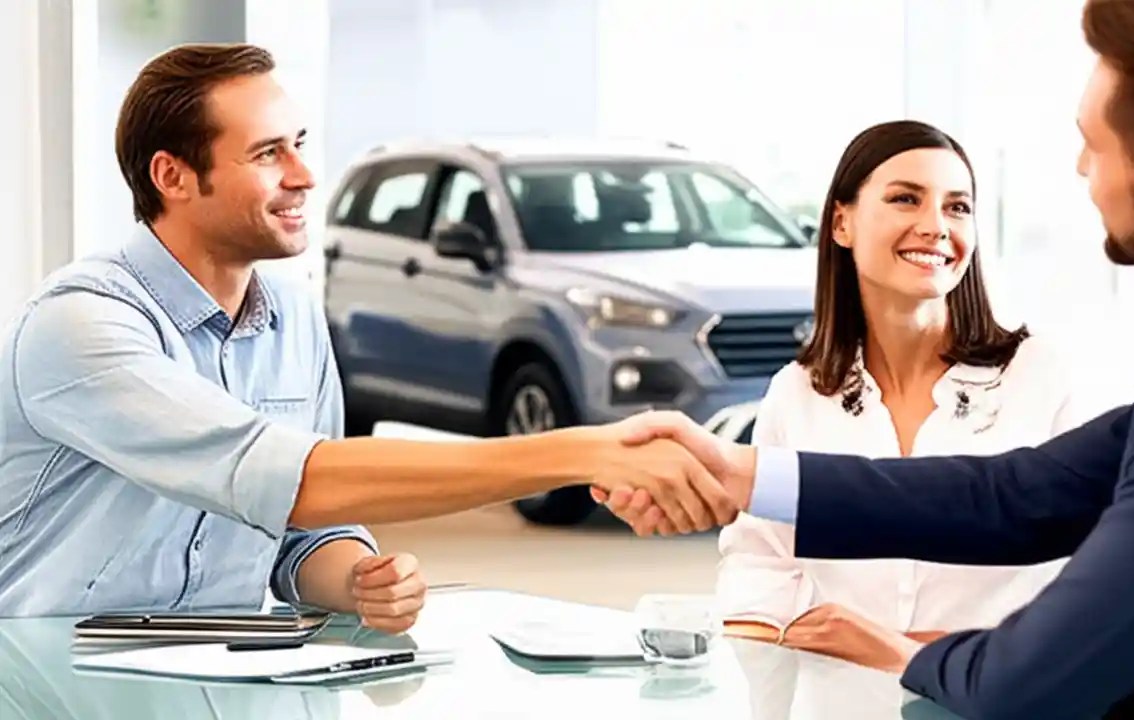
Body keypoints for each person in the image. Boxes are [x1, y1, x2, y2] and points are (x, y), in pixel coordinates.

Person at [600, 0, 1134, 717]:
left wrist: (906, 652)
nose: (1081, 169)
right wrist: (737, 472)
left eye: (1094, 145)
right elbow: (1020, 495)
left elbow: (1038, 677)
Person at [0, 43, 735, 620]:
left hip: (209, 675)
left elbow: (306, 536)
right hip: (47, 682)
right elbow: (294, 481)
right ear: (173, 176)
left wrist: (356, 576)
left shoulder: (292, 318)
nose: (306, 175)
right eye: (267, 154)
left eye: (299, 143)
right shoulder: (81, 324)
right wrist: (584, 449)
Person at [714, 120, 1080, 717]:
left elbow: (1086, 578)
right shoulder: (797, 393)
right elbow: (760, 560)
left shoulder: (1043, 376)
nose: (936, 224)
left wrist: (913, 651)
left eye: (957, 206)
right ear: (842, 223)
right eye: (906, 198)